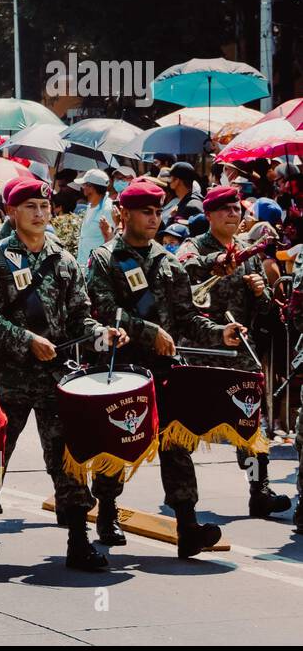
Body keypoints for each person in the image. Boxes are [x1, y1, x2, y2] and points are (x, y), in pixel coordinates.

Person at [85, 179, 245, 556]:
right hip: (121, 369)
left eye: (158, 211)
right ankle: (106, 509)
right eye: (146, 212)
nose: (154, 218)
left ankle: (187, 525)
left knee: (175, 444)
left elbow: (188, 317)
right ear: (124, 214)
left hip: (164, 369)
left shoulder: (168, 261)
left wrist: (221, 332)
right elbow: (104, 311)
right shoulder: (105, 259)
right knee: (118, 443)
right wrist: (148, 330)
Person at [0, 177, 124, 569]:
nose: (40, 214)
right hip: (10, 375)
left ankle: (77, 536)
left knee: (66, 456)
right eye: (30, 208)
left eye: (44, 207)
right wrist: (25, 339)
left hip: (57, 376)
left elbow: (80, 318)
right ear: (11, 212)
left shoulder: (64, 260)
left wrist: (101, 335)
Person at [175, 184, 290, 518]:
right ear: (208, 214)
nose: (232, 214)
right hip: (201, 353)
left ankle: (260, 490)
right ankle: (182, 497)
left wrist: (260, 291)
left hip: (240, 351)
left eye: (237, 209)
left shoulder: (248, 252)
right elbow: (186, 272)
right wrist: (224, 260)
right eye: (224, 209)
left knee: (251, 426)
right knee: (186, 428)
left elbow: (268, 308)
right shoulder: (193, 247)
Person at [71, 169, 114, 268]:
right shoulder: (90, 205)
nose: (83, 188)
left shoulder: (108, 208)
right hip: (82, 266)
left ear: (91, 187)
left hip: (98, 268)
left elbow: (112, 241)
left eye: (84, 185)